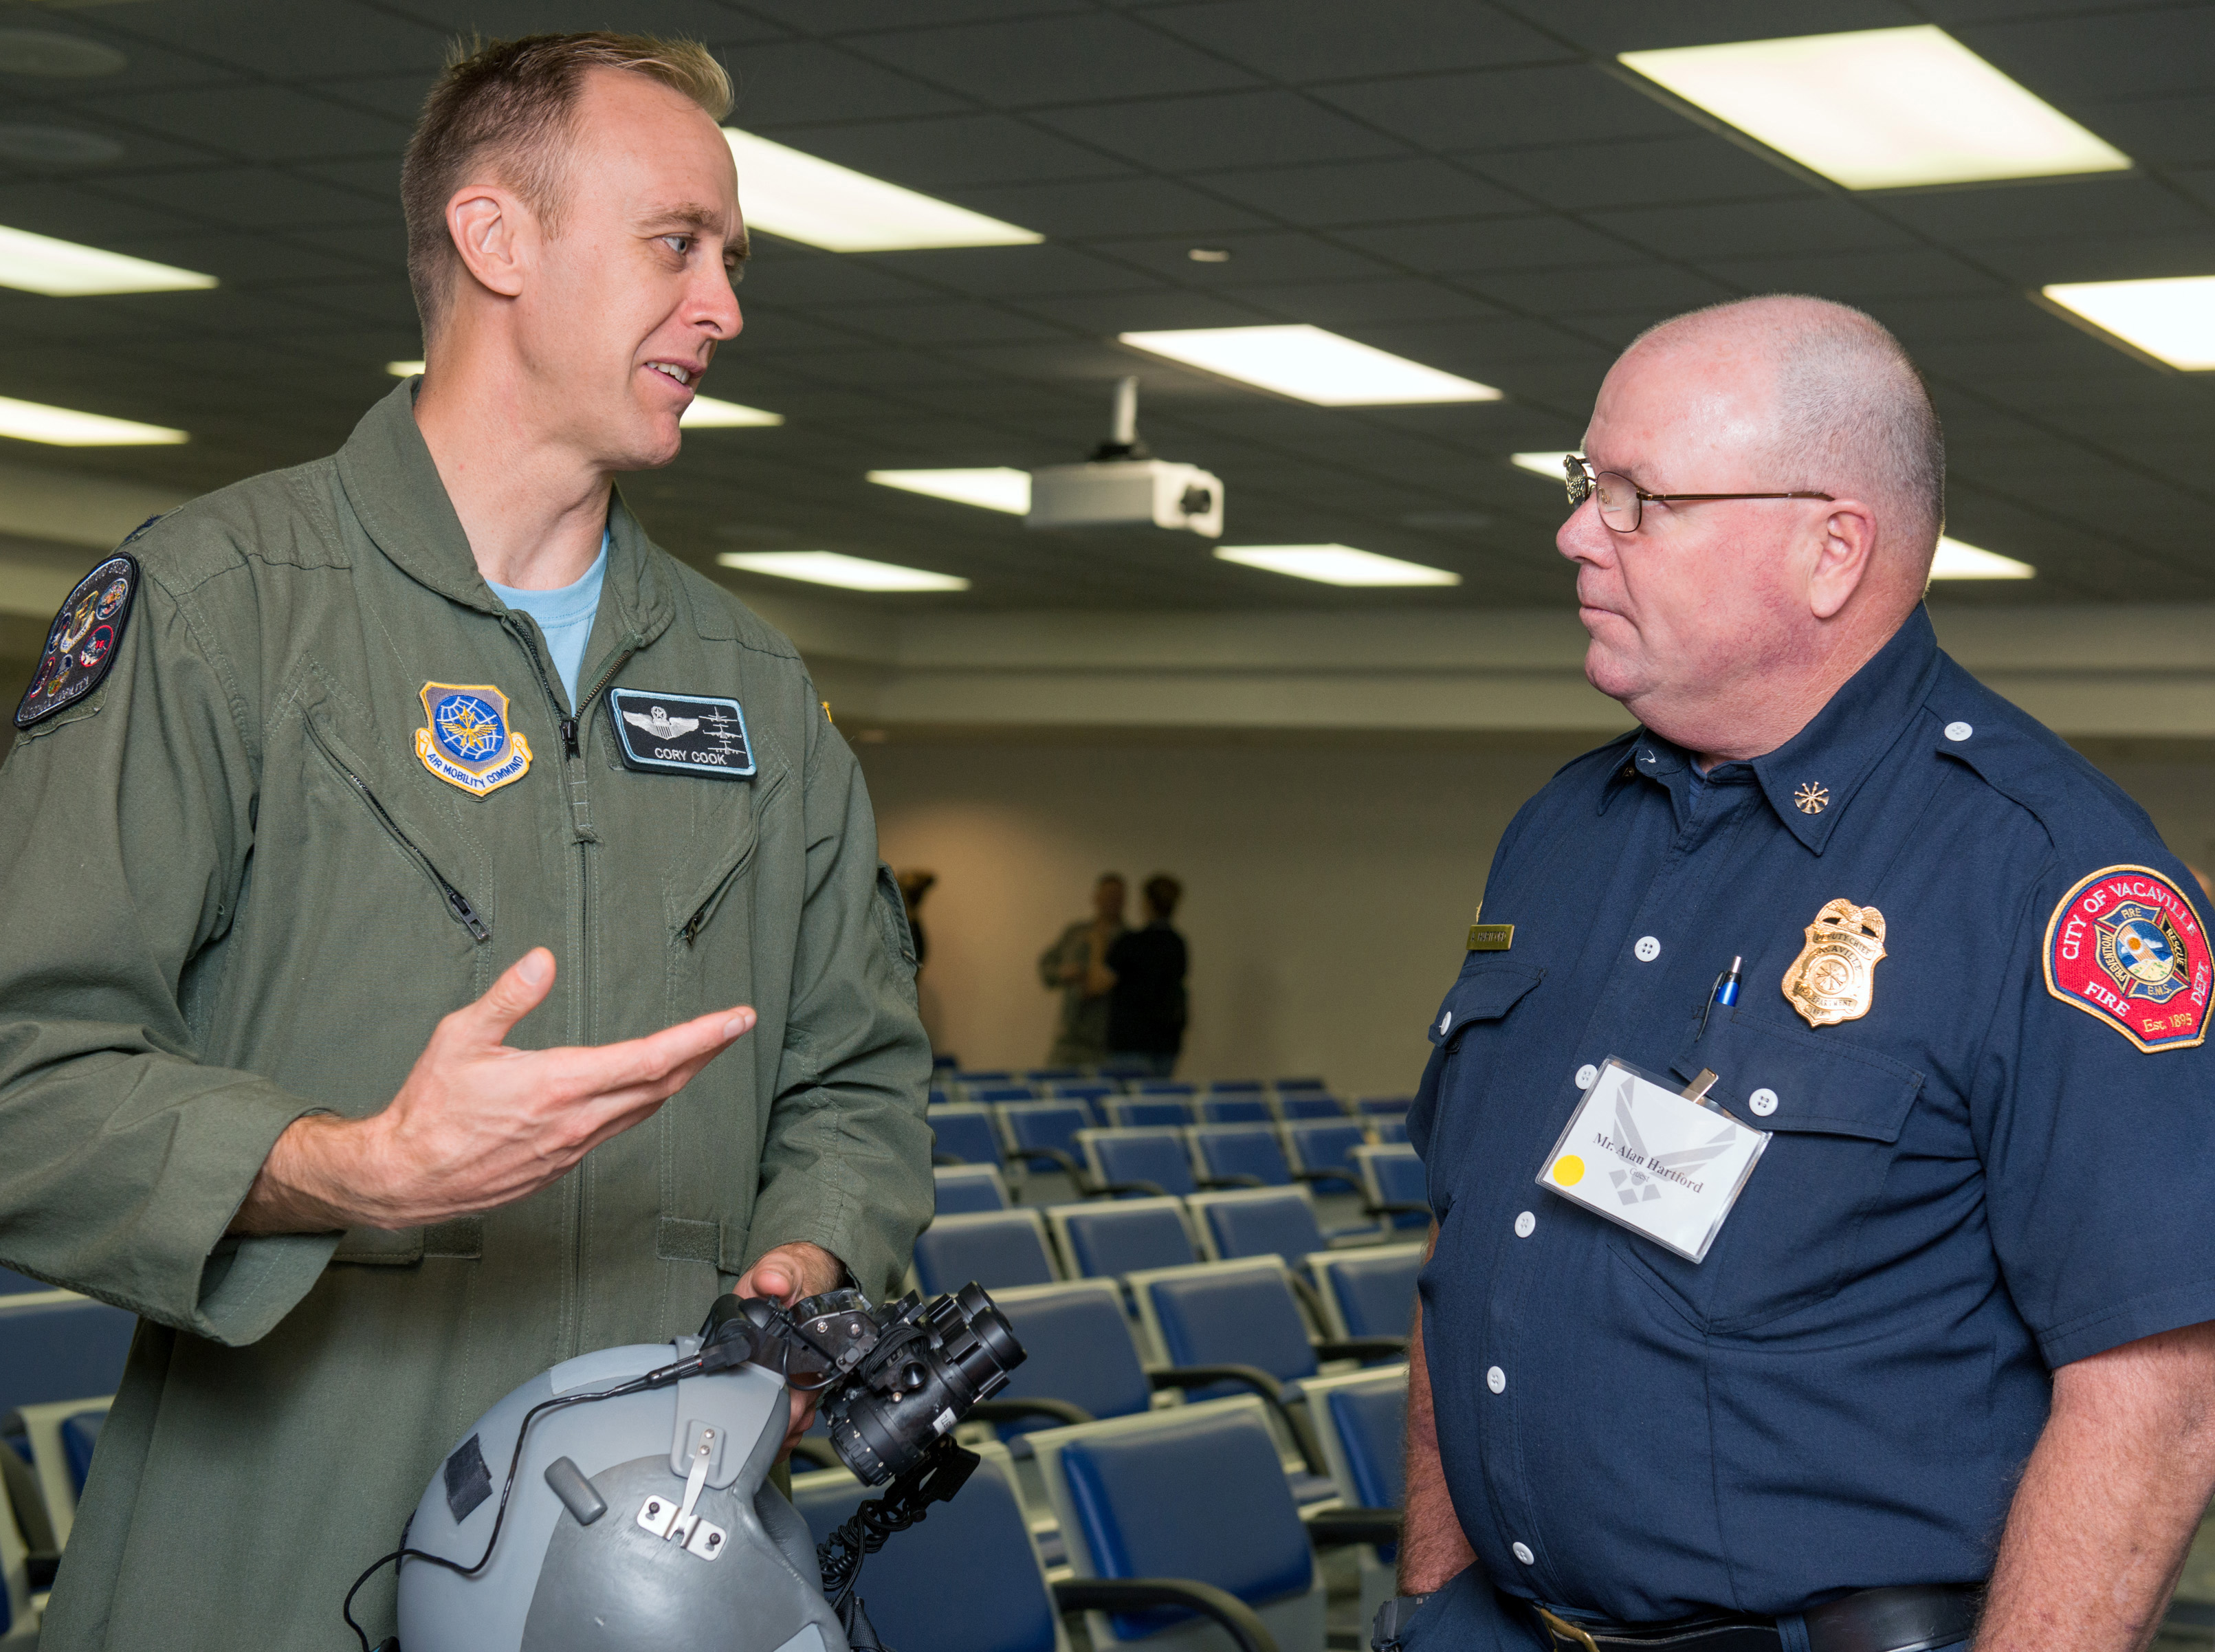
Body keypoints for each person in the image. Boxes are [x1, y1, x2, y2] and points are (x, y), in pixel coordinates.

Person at [0, 34, 932, 1652]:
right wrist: (350, 1165)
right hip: (275, 1551)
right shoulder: (226, 613)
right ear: (498, 241)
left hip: (657, 1572)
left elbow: (857, 1078)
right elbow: (26, 1080)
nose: (724, 306)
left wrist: (806, 1255)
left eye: (731, 259)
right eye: (677, 245)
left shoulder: (755, 692)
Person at [1389, 295, 2215, 1652]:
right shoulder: (1561, 832)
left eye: (1639, 496)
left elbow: (2157, 1392)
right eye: (1583, 483)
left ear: (1832, 546)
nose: (1577, 532)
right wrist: (1432, 1597)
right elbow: (1474, 1236)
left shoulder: (2046, 877)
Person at [1103, 874, 1189, 1077]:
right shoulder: (1178, 944)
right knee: (1156, 1100)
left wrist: (1097, 943)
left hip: (1131, 1040)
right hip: (1166, 1041)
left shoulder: (1131, 943)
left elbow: (1102, 981)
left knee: (1128, 1100)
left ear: (1147, 903)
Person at [1038, 872, 1126, 1067]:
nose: (1112, 901)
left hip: (1105, 1041)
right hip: (1069, 1036)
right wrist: (1063, 973)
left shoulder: (1128, 940)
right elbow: (1046, 967)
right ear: (1096, 897)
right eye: (1108, 895)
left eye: (1117, 897)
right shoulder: (1076, 932)